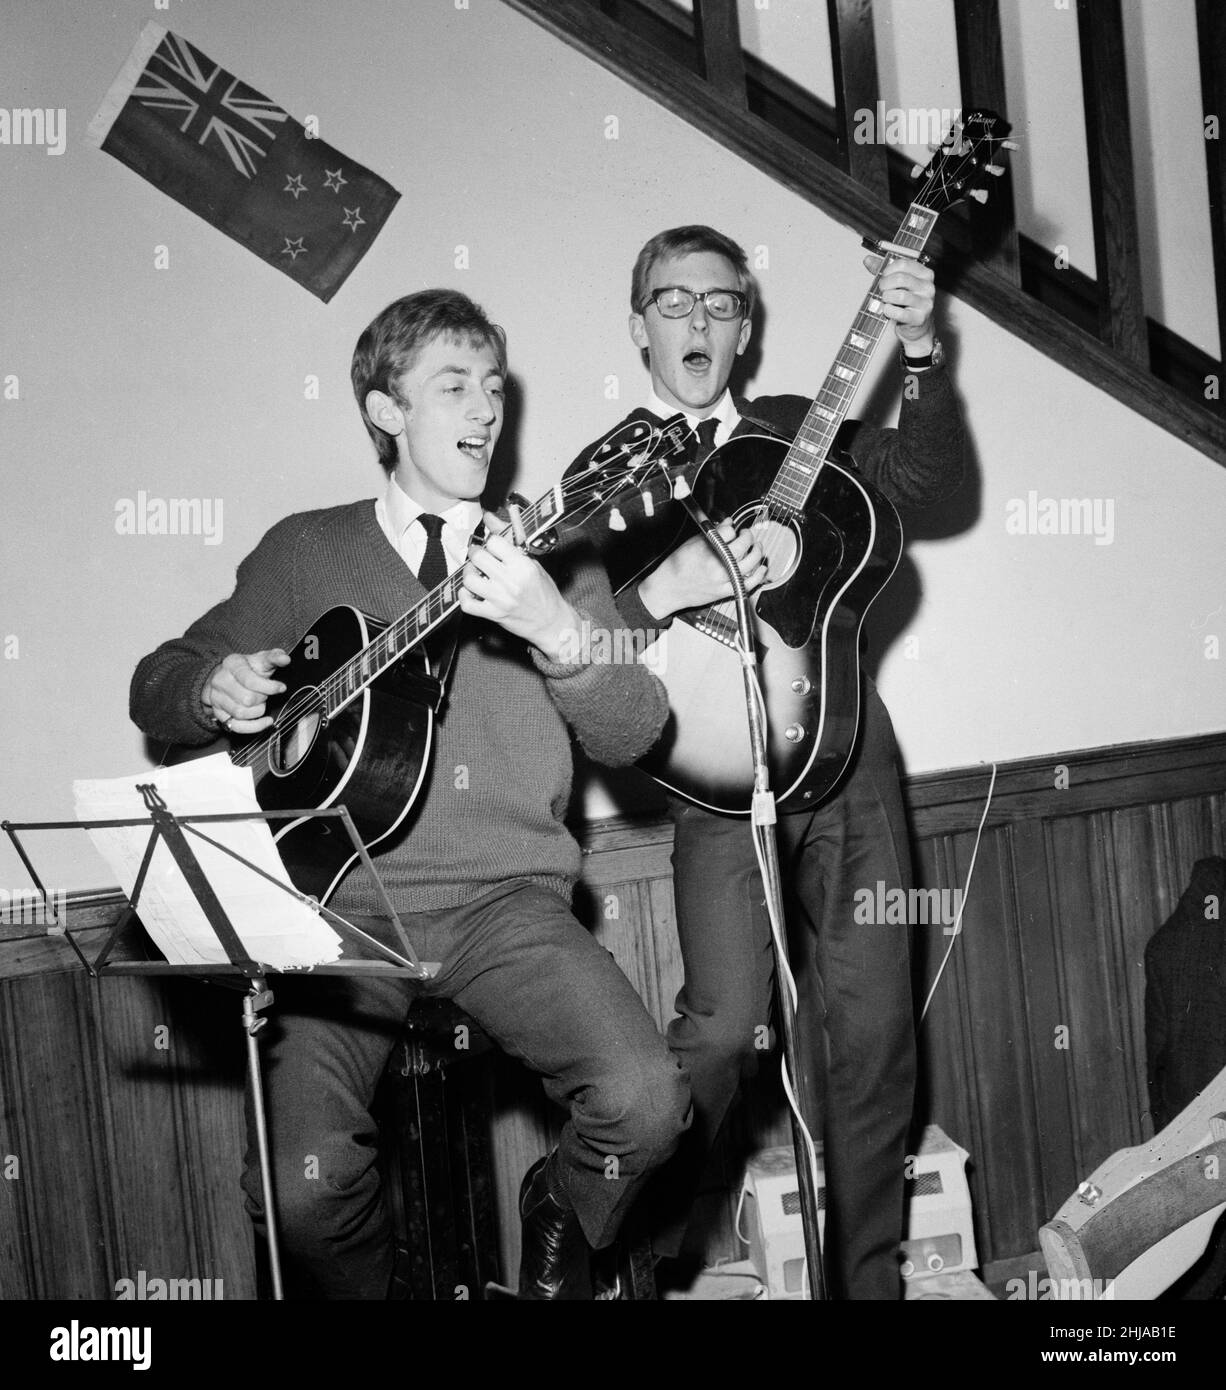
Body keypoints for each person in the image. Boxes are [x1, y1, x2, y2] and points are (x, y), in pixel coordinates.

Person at [128, 288, 689, 1300]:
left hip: (505, 905)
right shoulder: (303, 551)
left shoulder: (555, 555)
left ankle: (561, 1201)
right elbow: (158, 682)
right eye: (452, 385)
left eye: (493, 387)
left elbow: (640, 726)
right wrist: (202, 686)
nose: (484, 409)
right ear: (386, 411)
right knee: (301, 1191)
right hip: (335, 915)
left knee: (646, 1103)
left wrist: (560, 633)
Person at [568, 225, 965, 1299]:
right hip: (713, 774)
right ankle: (615, 1242)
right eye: (672, 301)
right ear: (638, 323)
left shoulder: (800, 425)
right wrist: (674, 583)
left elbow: (926, 480)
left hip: (846, 751)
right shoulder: (605, 474)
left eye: (718, 302)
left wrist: (919, 347)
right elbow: (579, 646)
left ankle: (866, 1284)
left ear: (744, 323)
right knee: (722, 1032)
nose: (696, 320)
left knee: (876, 1033)